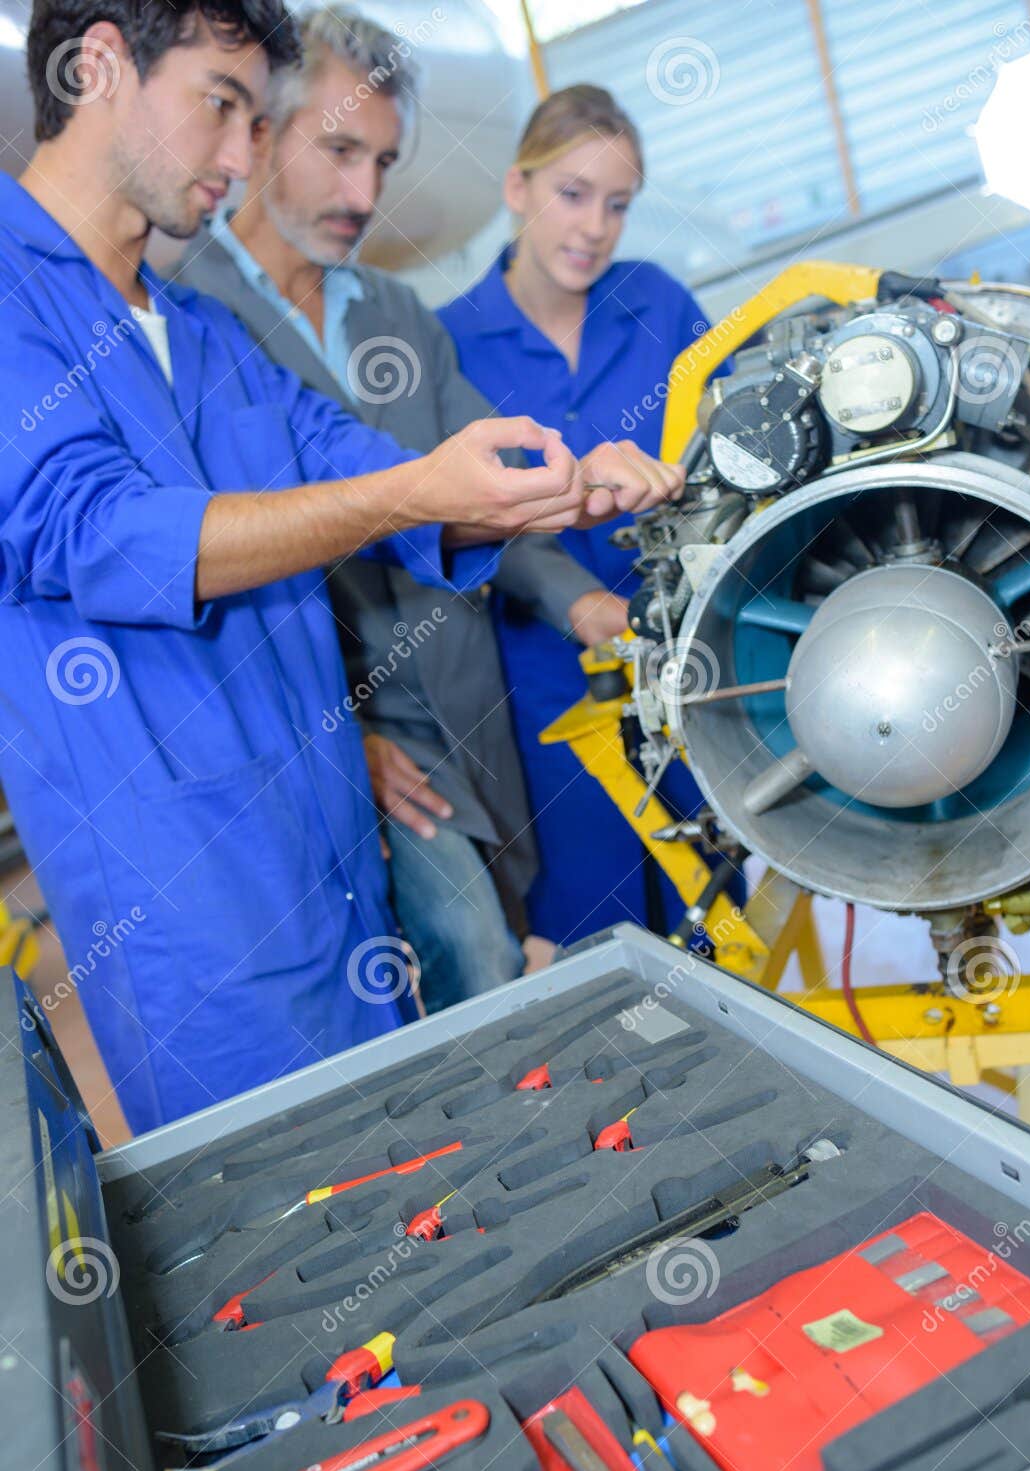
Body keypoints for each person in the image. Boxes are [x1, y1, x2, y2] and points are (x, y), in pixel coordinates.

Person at [0, 3, 672, 1132]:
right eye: (221, 106)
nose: (239, 159)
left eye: (259, 122)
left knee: (404, 1175)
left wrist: (549, 480)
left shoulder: (200, 336)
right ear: (101, 64)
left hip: (331, 866)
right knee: (283, 1225)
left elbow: (375, 470)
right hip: (193, 904)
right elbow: (97, 532)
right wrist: (414, 491)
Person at [172, 6, 649, 1015]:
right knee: (471, 959)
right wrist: (339, 746)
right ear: (260, 133)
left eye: (384, 162)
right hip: (345, 729)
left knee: (507, 952)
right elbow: (200, 577)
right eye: (340, 150)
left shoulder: (396, 318)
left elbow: (492, 493)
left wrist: (585, 604)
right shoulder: (188, 318)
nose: (365, 193)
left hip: (466, 713)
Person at [440, 85, 730, 945]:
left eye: (618, 204)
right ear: (517, 187)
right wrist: (583, 604)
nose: (595, 226)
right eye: (572, 194)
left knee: (721, 911)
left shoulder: (660, 303)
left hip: (689, 660)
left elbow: (733, 439)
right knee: (598, 932)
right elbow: (462, 526)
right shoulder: (445, 342)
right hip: (546, 687)